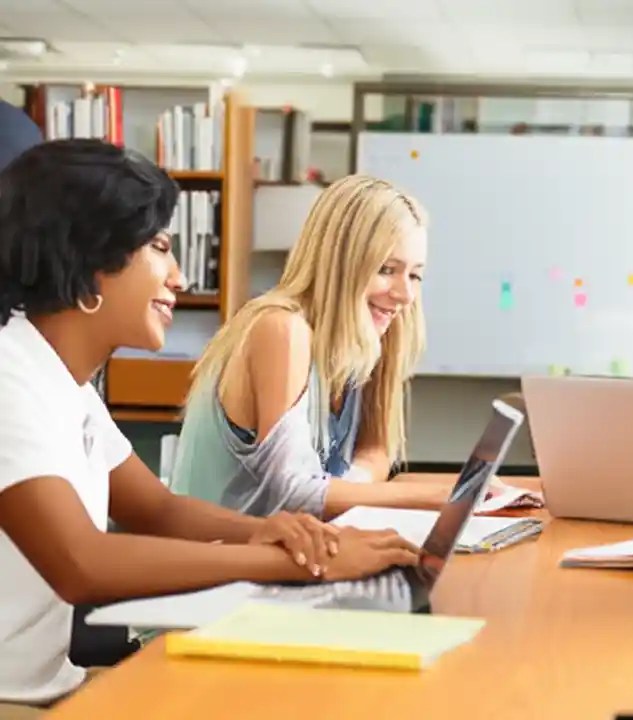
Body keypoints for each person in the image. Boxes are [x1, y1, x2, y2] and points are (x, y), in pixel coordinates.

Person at [0, 140, 419, 714]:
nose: (177, 275)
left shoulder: (61, 381)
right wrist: (297, 563)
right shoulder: (10, 378)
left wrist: (274, 531)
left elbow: (159, 511)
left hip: (54, 689)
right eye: (160, 247)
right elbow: (83, 565)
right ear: (89, 260)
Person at [171, 174, 489, 520]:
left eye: (414, 275)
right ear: (339, 264)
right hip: (219, 565)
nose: (405, 295)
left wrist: (345, 489)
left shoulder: (371, 334)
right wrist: (445, 496)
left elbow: (376, 450)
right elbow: (292, 494)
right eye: (386, 269)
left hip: (291, 557)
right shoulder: (281, 329)